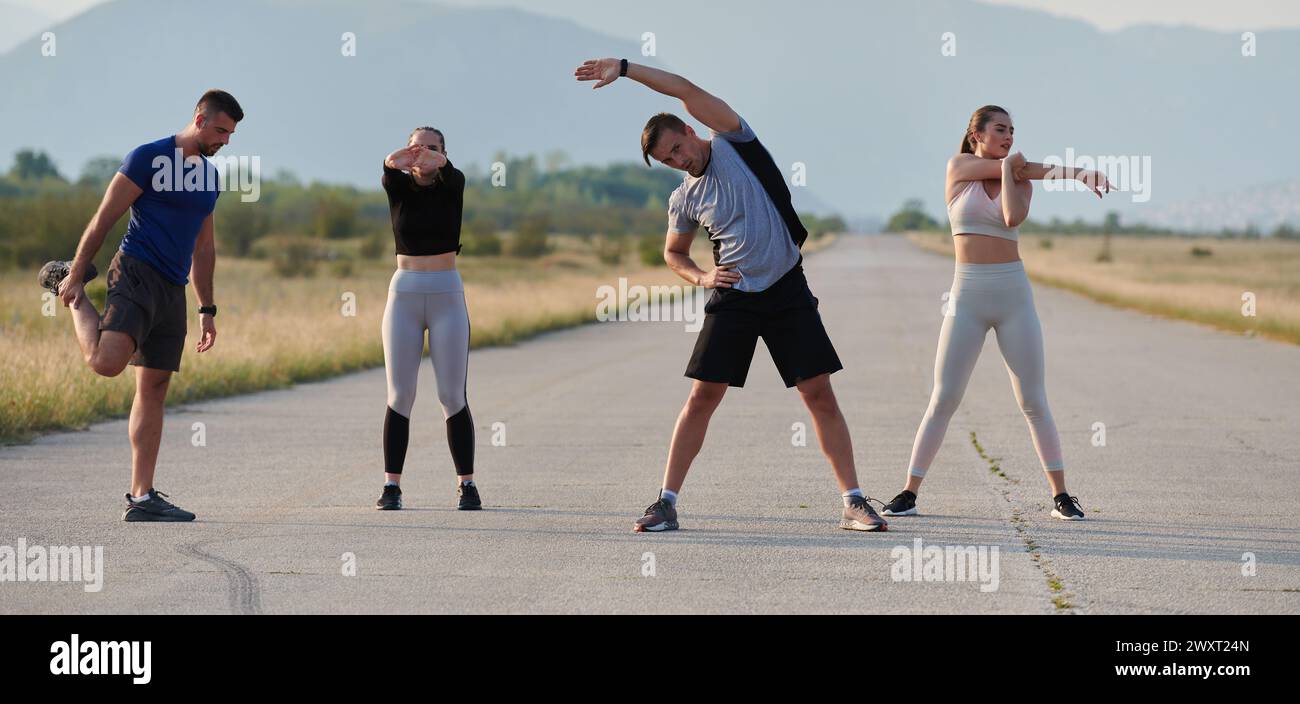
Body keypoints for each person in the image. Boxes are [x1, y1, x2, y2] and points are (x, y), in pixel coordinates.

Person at [575, 57, 887, 533]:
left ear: (689, 128)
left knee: (818, 393)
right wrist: (702, 278)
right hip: (735, 295)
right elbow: (673, 253)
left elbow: (682, 86)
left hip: (785, 286)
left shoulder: (733, 140)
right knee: (702, 396)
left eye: (679, 147)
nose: (680, 160)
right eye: (669, 160)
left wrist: (623, 68)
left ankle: (853, 501)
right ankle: (666, 502)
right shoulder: (683, 197)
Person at [880, 105, 1113, 521]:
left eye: (1012, 131)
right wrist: (1057, 171)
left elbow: (1009, 216)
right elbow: (1014, 168)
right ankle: (908, 493)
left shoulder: (1019, 181)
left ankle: (1061, 496)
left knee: (1032, 400)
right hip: (966, 296)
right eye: (1000, 129)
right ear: (977, 136)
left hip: (1013, 298)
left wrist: (1028, 172)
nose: (1008, 136)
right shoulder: (959, 168)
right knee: (944, 397)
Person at [37, 89, 244, 521]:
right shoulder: (147, 158)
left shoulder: (208, 177)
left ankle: (142, 496)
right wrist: (77, 271)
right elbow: (104, 218)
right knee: (106, 363)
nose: (225, 141)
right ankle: (68, 291)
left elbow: (204, 248)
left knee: (154, 387)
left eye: (231, 134)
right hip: (135, 270)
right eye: (222, 130)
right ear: (200, 119)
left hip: (173, 288)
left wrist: (207, 308)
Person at [373, 127, 479, 512]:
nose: (423, 156)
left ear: (445, 154)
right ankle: (392, 487)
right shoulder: (398, 187)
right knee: (401, 395)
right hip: (404, 293)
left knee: (451, 395)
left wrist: (437, 161)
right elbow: (388, 170)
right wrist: (394, 160)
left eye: (432, 149)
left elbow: (450, 173)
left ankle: (467, 484)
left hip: (447, 292)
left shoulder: (454, 184)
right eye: (417, 148)